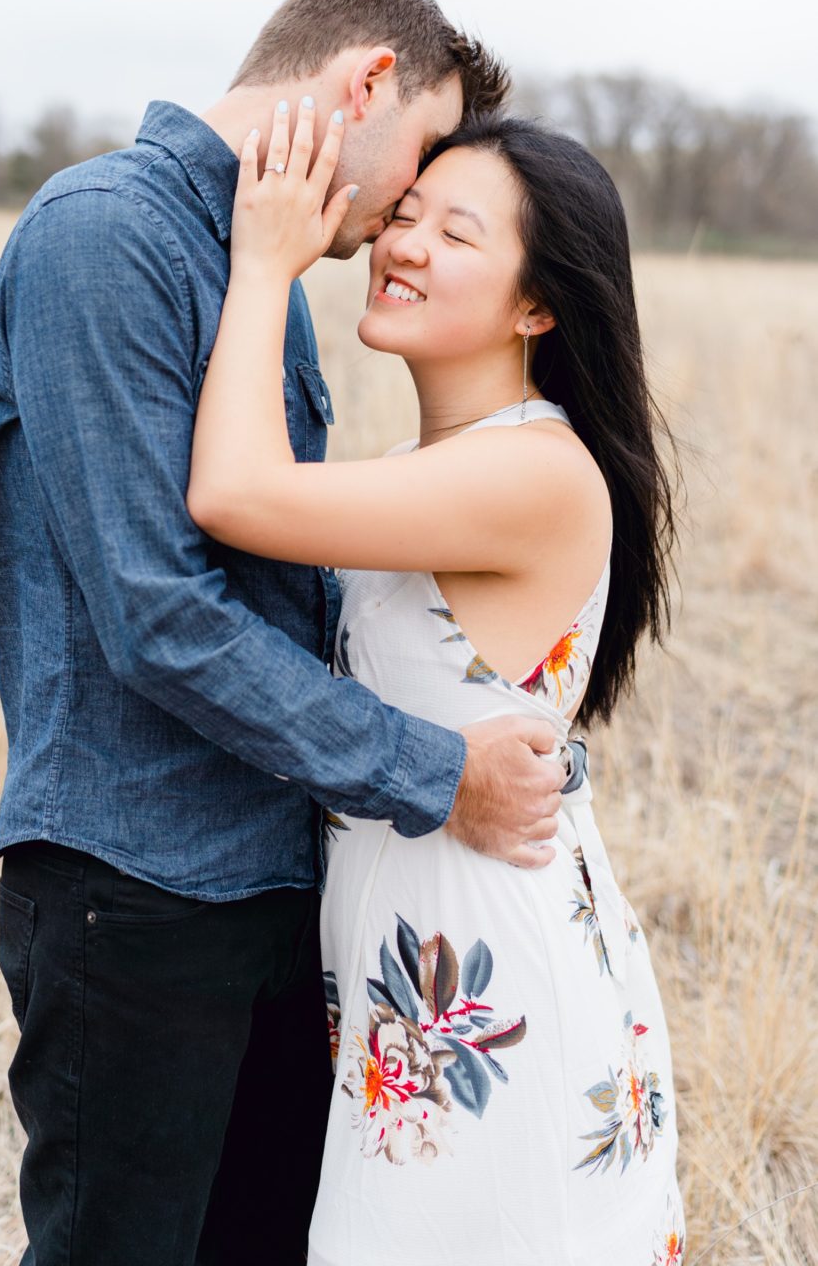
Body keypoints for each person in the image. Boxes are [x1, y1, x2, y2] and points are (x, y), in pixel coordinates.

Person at [0, 0, 567, 1266]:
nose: (402, 209)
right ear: (361, 82)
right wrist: (431, 772)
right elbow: (155, 617)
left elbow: (282, 582)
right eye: (413, 156)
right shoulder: (103, 234)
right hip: (133, 896)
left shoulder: (262, 275)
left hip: (267, 886)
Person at [186, 103, 685, 1265]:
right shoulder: (435, 469)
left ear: (535, 304)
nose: (403, 243)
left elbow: (232, 494)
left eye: (455, 234)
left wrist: (264, 264)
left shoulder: (534, 471)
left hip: (487, 989)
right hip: (416, 980)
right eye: (404, 214)